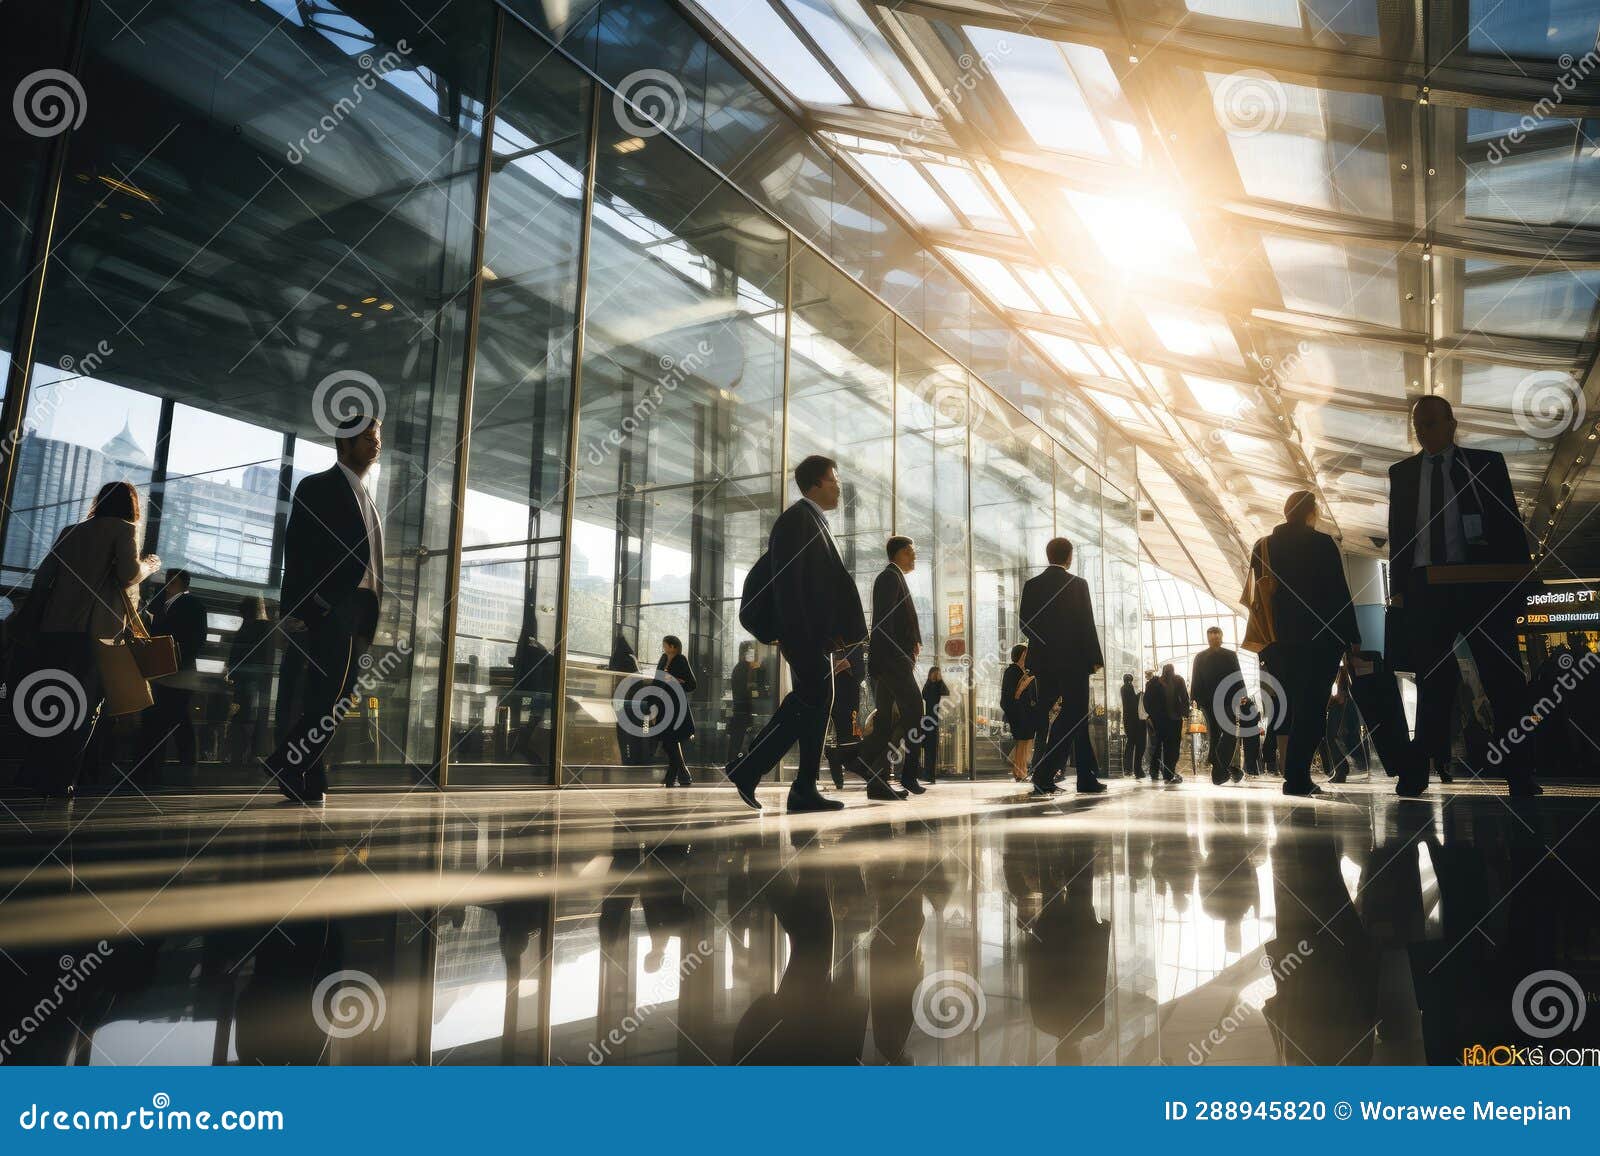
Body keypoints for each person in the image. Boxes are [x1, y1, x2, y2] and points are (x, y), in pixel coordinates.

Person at [1387, 395, 1537, 797]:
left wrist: (1519, 582)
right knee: (1432, 682)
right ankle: (1417, 773)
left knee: (1502, 679)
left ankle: (1520, 774)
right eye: (1417, 426)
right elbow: (1399, 537)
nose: (1423, 432)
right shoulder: (1402, 473)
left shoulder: (1485, 465)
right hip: (1426, 587)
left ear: (1452, 425)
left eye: (1430, 424)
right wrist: (1397, 593)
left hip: (1479, 585)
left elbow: (1508, 521)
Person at [727, 455, 870, 812]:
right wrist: (796, 636)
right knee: (811, 698)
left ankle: (802, 786)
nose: (839, 487)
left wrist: (832, 632)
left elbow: (819, 586)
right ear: (816, 484)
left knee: (817, 700)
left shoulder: (812, 521)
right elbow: (791, 587)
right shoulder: (796, 521)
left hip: (813, 634)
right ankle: (751, 769)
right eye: (834, 480)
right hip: (802, 633)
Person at [5, 481, 161, 796]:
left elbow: (44, 576)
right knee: (84, 705)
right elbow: (128, 575)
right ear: (131, 506)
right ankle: (60, 778)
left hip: (56, 630)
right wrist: (151, 565)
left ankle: (30, 772)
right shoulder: (124, 529)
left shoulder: (71, 531)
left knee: (49, 699)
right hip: (96, 632)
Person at [262, 413, 385, 803]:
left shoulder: (367, 496)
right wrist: (301, 608)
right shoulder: (318, 487)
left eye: (376, 437)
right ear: (343, 445)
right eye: (366, 438)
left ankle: (308, 774)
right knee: (329, 697)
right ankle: (288, 761)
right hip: (332, 606)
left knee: (335, 697)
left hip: (361, 609)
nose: (375, 443)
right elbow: (296, 550)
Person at [1251, 490, 1360, 797]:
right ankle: (1297, 777)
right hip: (1320, 641)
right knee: (1312, 709)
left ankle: (1296, 775)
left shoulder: (1263, 546)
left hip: (1280, 644)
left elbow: (1257, 600)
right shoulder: (1321, 543)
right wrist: (1352, 638)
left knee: (1296, 706)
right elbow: (1339, 592)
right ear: (1311, 512)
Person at [1018, 537, 1105, 796]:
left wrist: (1047, 644)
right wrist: (1094, 657)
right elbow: (1086, 624)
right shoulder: (1078, 584)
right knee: (1074, 714)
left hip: (1045, 662)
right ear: (1069, 557)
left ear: (1048, 556)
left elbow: (1025, 624)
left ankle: (1086, 777)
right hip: (1074, 661)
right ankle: (1045, 773)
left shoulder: (1032, 585)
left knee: (1072, 717)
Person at [852, 536, 927, 795]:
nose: (914, 557)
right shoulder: (889, 578)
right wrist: (903, 656)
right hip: (892, 662)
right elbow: (884, 624)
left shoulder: (895, 577)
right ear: (897, 554)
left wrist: (913, 642)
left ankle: (874, 776)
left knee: (885, 721)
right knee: (915, 711)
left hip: (888, 661)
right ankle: (906, 774)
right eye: (910, 552)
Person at [133, 568, 209, 784]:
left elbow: (194, 640)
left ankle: (155, 767)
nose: (166, 585)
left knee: (166, 719)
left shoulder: (186, 605)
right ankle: (179, 766)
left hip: (173, 671)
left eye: (169, 581)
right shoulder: (174, 605)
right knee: (176, 719)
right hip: (172, 671)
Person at [226, 595, 275, 768]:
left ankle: (241, 754)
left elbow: (238, 653)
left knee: (243, 715)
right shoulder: (264, 627)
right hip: (253, 677)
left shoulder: (250, 627)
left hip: (247, 677)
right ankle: (250, 753)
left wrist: (232, 671)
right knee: (248, 715)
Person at [1191, 626, 1242, 786]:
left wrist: (1195, 699)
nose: (1214, 639)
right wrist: (1241, 694)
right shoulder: (1230, 655)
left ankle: (1218, 767)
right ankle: (1220, 769)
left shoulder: (1200, 657)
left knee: (1215, 734)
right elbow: (1237, 675)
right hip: (1225, 700)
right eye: (1212, 636)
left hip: (1209, 701)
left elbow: (1196, 679)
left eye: (1215, 636)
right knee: (1229, 734)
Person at [509, 617, 553, 769]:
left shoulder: (526, 646)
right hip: (536, 691)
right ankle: (522, 746)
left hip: (527, 690)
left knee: (531, 719)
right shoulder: (535, 646)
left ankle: (519, 746)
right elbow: (548, 663)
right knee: (534, 718)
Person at [654, 635, 697, 787]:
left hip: (676, 705)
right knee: (669, 742)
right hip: (663, 705)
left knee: (670, 741)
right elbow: (656, 681)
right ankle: (680, 775)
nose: (663, 647)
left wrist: (676, 682)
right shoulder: (662, 659)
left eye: (665, 645)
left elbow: (692, 684)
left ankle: (675, 777)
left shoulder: (681, 660)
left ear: (673, 646)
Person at [1001, 644, 1039, 782]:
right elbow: (1012, 695)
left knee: (1025, 741)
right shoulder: (1012, 671)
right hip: (1018, 712)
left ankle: (1021, 770)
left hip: (1025, 712)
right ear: (1021, 655)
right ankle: (1020, 771)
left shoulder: (1023, 671)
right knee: (1022, 742)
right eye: (1026, 654)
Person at [1145, 665, 1187, 783]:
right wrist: (1184, 712)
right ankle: (1167, 773)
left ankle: (1157, 772)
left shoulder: (1156, 683)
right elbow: (1184, 698)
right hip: (1171, 719)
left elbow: (1147, 701)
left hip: (1164, 719)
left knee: (1159, 746)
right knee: (1170, 747)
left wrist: (1152, 715)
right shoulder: (1176, 680)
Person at [727, 642, 761, 764]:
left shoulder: (744, 668)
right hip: (743, 708)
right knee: (739, 737)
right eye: (750, 652)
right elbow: (743, 690)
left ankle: (734, 761)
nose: (752, 655)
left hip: (742, 708)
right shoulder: (743, 668)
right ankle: (734, 761)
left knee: (739, 737)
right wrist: (755, 689)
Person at [915, 666, 949, 782]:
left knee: (931, 748)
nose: (935, 676)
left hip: (934, 719)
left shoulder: (939, 685)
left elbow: (946, 692)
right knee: (927, 746)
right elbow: (924, 695)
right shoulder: (928, 685)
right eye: (934, 674)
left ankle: (930, 775)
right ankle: (926, 773)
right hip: (928, 718)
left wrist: (940, 680)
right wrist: (932, 681)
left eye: (937, 674)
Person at [1120, 673, 1145, 780]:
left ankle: (1128, 768)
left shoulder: (1122, 688)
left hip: (1127, 719)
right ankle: (1133, 769)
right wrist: (1139, 695)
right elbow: (1133, 703)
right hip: (1133, 721)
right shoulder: (1128, 688)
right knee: (1136, 744)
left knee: (1130, 744)